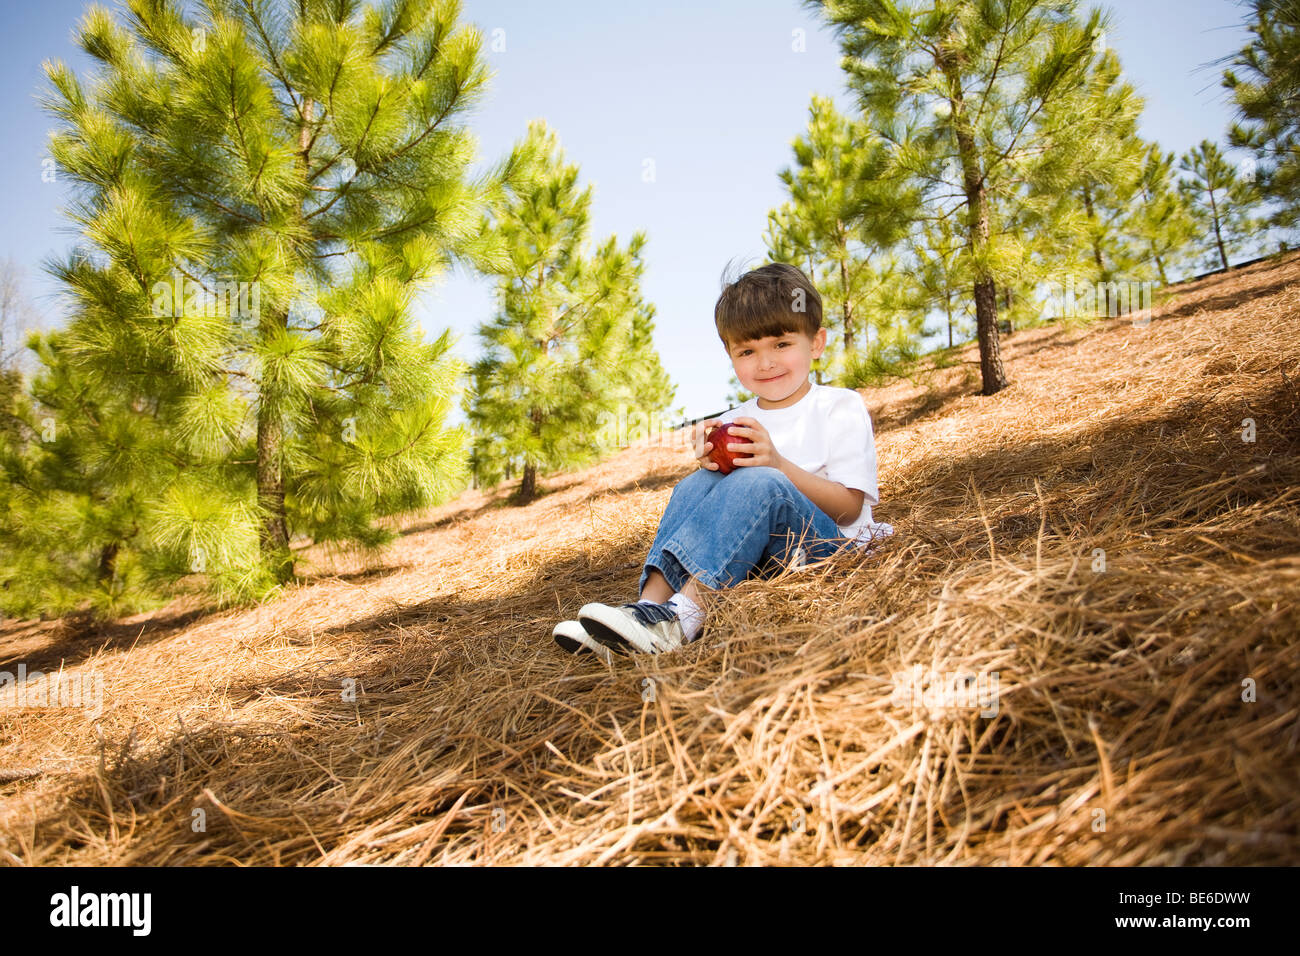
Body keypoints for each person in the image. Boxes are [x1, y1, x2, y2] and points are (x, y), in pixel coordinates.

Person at [553, 262, 893, 658]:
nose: (765, 363)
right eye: (747, 351)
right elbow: (721, 505)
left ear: (815, 343)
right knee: (695, 484)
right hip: (758, 562)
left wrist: (779, 465)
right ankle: (646, 611)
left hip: (830, 553)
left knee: (762, 482)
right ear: (730, 354)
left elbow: (851, 510)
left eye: (781, 344)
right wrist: (713, 466)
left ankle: (680, 621)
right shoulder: (735, 420)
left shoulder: (839, 407)